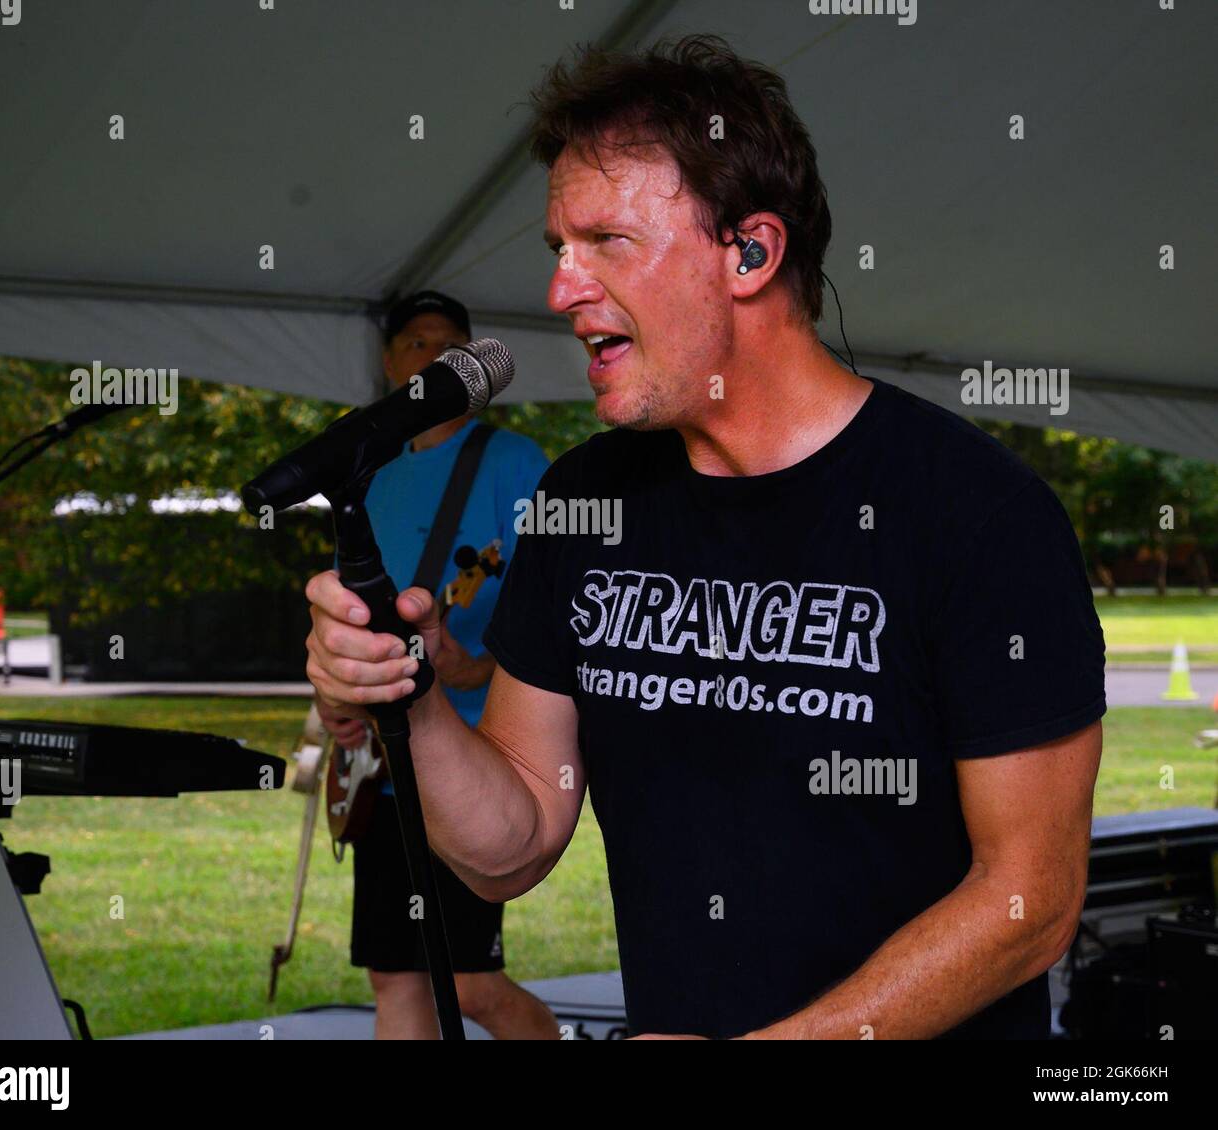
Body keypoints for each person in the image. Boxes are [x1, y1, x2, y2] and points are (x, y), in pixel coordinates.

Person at [305, 37, 1105, 1039]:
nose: (561, 290)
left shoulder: (975, 513)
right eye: (556, 248)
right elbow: (510, 843)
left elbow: (1028, 902)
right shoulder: (582, 501)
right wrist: (408, 699)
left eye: (605, 241)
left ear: (751, 252)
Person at [315, 289, 557, 1040]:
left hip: (473, 769)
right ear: (389, 364)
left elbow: (560, 626)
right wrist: (341, 703)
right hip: (385, 767)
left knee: (472, 983)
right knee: (396, 976)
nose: (432, 354)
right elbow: (347, 618)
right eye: (415, 342)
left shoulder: (516, 463)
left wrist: (474, 668)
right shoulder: (368, 475)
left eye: (449, 341)